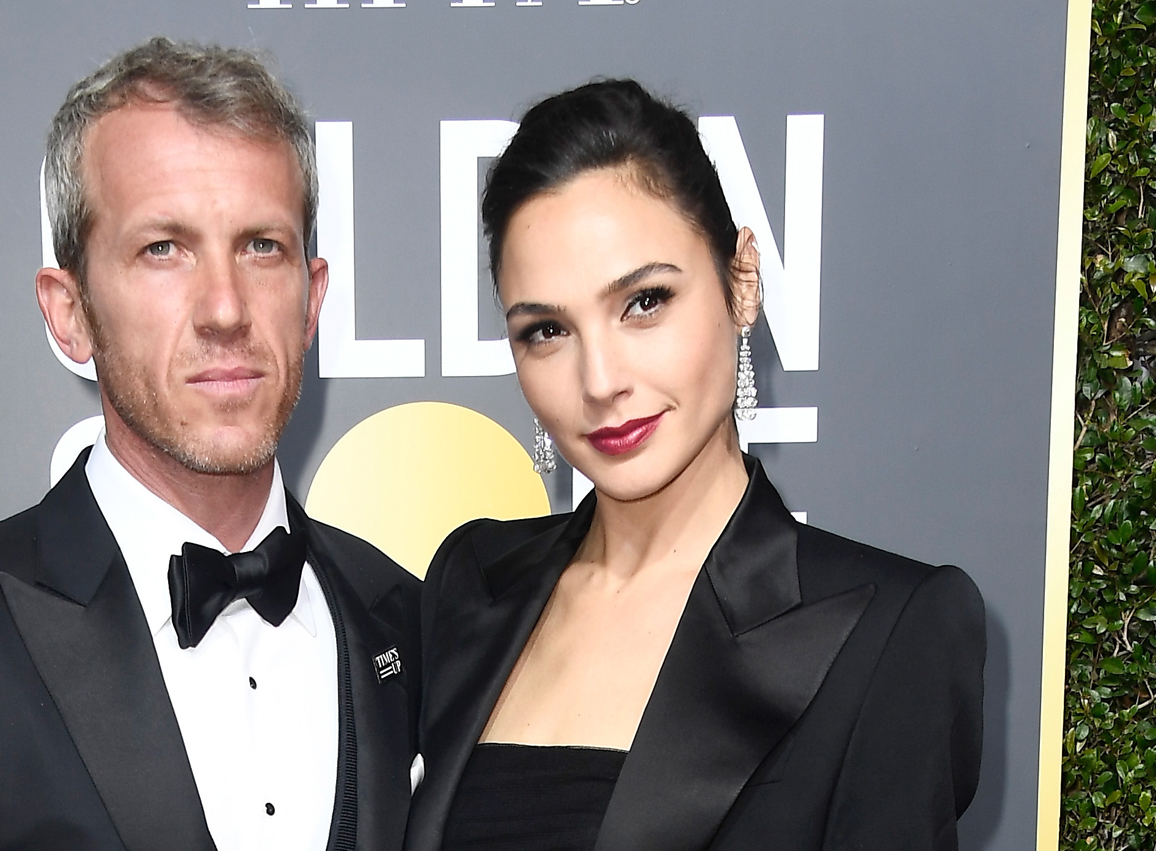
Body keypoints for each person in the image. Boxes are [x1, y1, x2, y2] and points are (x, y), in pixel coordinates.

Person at [0, 37, 421, 851]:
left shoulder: (406, 616)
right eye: (164, 249)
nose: (225, 309)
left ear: (312, 298)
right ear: (69, 312)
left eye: (263, 246)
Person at [404, 80, 984, 851]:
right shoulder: (470, 582)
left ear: (741, 281)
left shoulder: (890, 631)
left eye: (644, 302)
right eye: (546, 330)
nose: (600, 380)